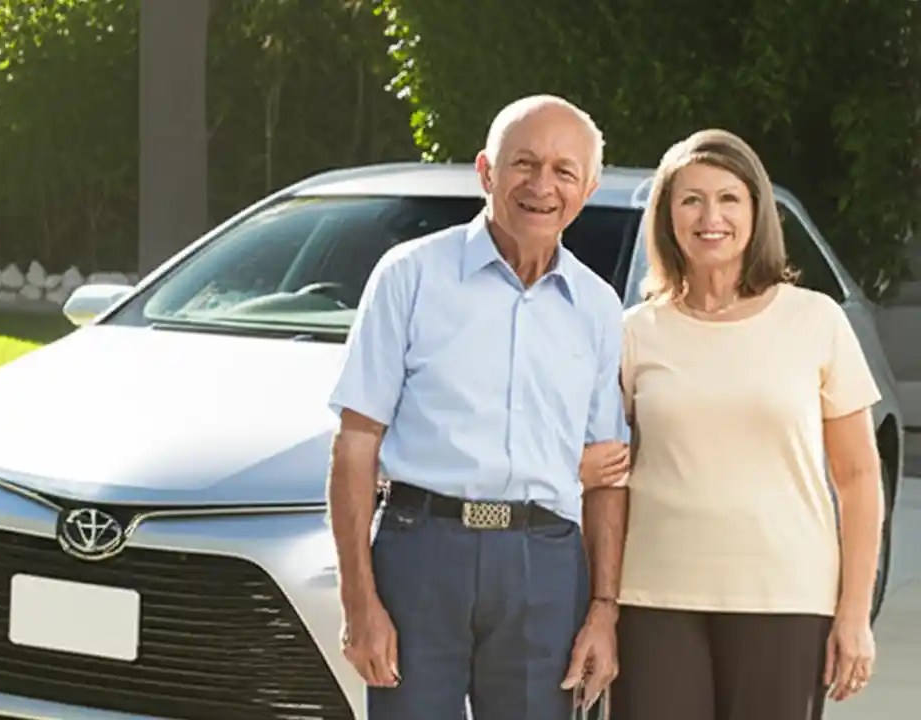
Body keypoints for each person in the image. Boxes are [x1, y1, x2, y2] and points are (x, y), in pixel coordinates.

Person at [326, 94, 631, 720]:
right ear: (486, 172)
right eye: (524, 163)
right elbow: (355, 443)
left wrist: (604, 610)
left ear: (588, 188)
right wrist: (358, 600)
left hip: (544, 567)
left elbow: (607, 474)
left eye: (564, 171)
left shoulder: (599, 307)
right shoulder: (409, 276)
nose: (542, 186)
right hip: (420, 557)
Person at [606, 128, 883, 720]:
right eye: (691, 200)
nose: (711, 218)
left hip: (787, 596)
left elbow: (859, 477)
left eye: (728, 198)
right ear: (667, 216)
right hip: (653, 598)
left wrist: (854, 613)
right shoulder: (634, 332)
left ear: (757, 213)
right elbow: (605, 473)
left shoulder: (816, 320)